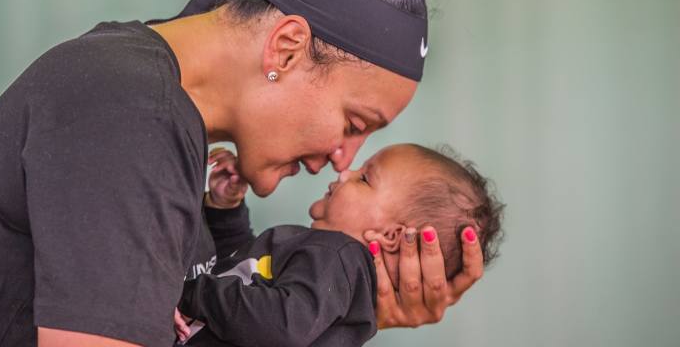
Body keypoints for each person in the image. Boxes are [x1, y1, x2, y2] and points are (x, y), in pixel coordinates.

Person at [0, 0, 485, 346]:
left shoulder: (152, 108)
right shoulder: (129, 112)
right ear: (286, 49)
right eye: (353, 124)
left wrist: (360, 310)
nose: (341, 159)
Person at [174, 145, 504, 346]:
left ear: (390, 236)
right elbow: (246, 273)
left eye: (364, 178)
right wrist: (227, 211)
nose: (345, 172)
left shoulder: (336, 255)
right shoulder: (340, 283)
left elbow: (278, 324)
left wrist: (185, 294)